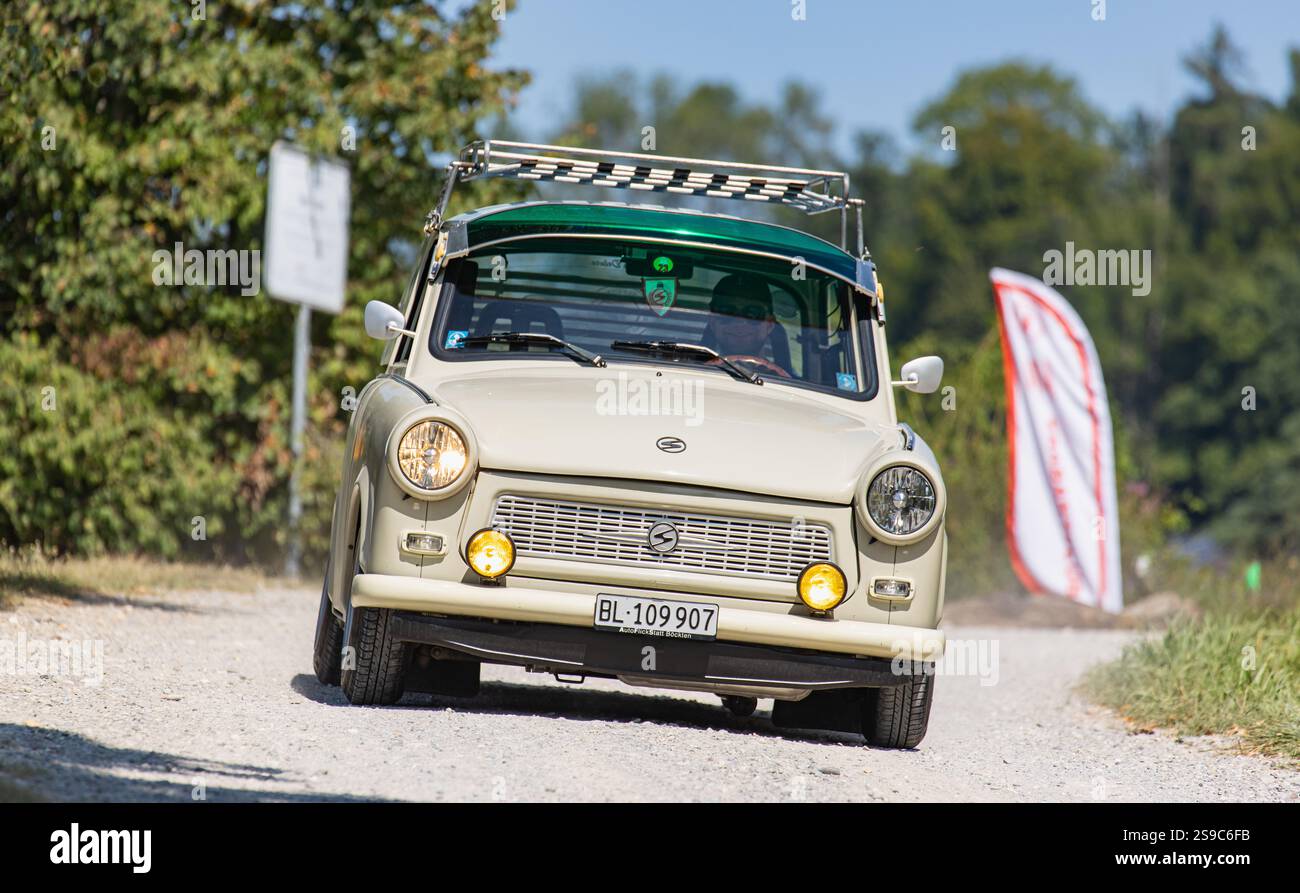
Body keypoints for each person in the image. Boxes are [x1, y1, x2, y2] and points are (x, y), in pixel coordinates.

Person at [707, 273, 790, 377]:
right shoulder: (688, 373)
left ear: (770, 324)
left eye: (752, 313)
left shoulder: (796, 387)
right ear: (712, 321)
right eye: (727, 312)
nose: (739, 322)